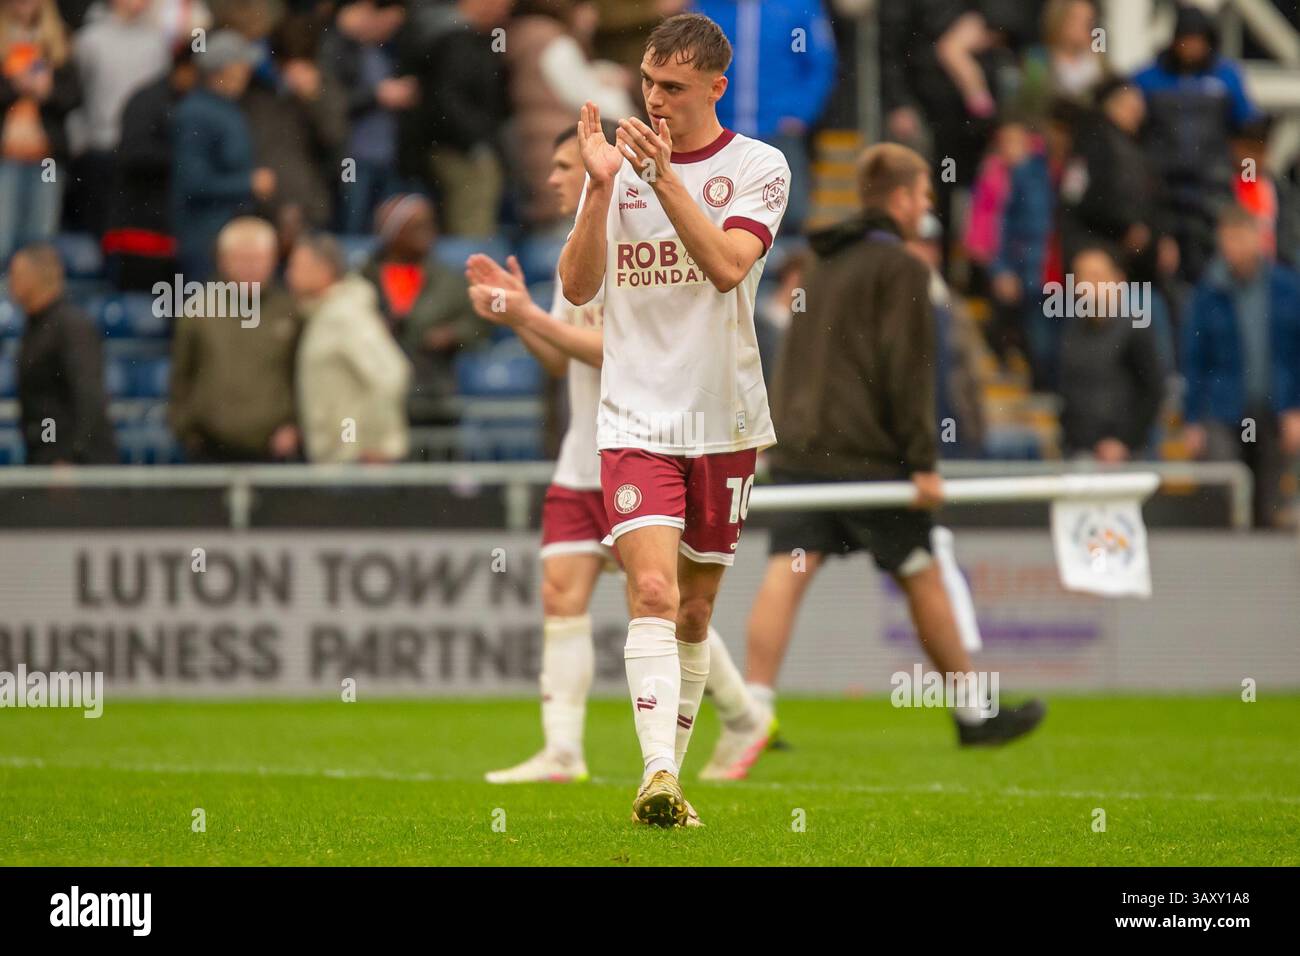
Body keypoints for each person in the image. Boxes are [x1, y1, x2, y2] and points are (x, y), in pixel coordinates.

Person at [470, 124, 769, 787]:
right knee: (571, 592)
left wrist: (532, 316)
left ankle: (742, 715)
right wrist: (520, 316)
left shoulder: (651, 227)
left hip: (656, 436)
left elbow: (616, 351)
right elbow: (560, 352)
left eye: (563, 164)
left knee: (670, 601)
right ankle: (564, 751)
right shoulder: (583, 243)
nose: (552, 178)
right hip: (593, 450)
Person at [731, 143, 1045, 755]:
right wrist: (923, 462)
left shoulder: (818, 265)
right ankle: (974, 713)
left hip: (802, 451)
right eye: (925, 196)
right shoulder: (902, 268)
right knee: (920, 570)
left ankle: (754, 712)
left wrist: (784, 437)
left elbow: (796, 361)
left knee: (786, 572)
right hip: (867, 457)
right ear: (901, 198)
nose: (927, 208)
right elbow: (909, 370)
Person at [558, 12, 792, 826]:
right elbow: (582, 288)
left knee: (695, 612)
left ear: (716, 88)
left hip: (723, 418)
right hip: (634, 417)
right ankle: (658, 778)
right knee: (651, 590)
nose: (654, 101)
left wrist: (661, 181)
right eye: (648, 84)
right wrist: (598, 187)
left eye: (673, 88)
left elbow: (729, 266)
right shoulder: (619, 171)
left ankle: (676, 770)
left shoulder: (758, 165)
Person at [1182, 206, 1300, 529]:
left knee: (1270, 504)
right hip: (1222, 408)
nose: (1234, 246)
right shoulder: (1208, 293)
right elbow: (1195, 359)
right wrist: (1192, 419)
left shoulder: (1287, 287)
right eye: (1228, 239)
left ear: (1258, 238)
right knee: (1225, 495)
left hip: (1276, 407)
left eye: (1240, 237)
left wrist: (1295, 407)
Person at [1132, 3, 1263, 284]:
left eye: (1197, 39)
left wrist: (1246, 174)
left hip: (1211, 188)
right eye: (1185, 38)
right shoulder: (1147, 78)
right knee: (1164, 269)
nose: (1191, 46)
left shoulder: (1227, 76)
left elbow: (1251, 129)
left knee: (1214, 267)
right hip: (1162, 190)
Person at [690, 0, 838, 233]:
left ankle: (785, 267)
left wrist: (800, 113)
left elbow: (818, 64)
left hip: (779, 131)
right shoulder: (706, 6)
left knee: (789, 215)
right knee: (713, 213)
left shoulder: (798, 6)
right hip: (720, 131)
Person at [168, 217, 303, 463]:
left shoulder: (292, 310)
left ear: (273, 260)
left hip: (274, 452)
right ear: (222, 260)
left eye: (257, 258)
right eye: (241, 258)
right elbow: (181, 375)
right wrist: (185, 430)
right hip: (208, 450)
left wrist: (295, 427)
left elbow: (301, 375)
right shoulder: (199, 308)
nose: (249, 266)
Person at [288, 232, 412, 464]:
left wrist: (376, 446)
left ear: (324, 269)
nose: (289, 274)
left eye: (296, 265)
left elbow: (390, 375)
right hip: (338, 461)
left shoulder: (345, 314)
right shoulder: (323, 314)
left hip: (357, 463)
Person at [359, 193, 487, 412]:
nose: (429, 233)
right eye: (417, 227)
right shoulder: (363, 279)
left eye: (430, 224)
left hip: (433, 395)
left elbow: (478, 323)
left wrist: (452, 334)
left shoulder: (449, 279)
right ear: (393, 232)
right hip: (374, 396)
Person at [396, 0, 511, 236]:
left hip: (453, 143)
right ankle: (471, 266)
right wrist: (477, 141)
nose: (504, 10)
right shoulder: (453, 39)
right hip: (452, 148)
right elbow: (446, 101)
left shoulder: (473, 37)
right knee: (474, 207)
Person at [172, 28, 276, 281]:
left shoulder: (228, 108)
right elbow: (193, 182)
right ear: (222, 71)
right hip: (204, 239)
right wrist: (248, 183)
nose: (247, 73)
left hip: (228, 235)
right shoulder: (196, 113)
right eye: (242, 67)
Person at [68, 0, 170, 236]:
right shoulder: (90, 39)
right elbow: (76, 94)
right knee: (98, 229)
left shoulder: (156, 41)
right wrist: (80, 142)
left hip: (141, 151)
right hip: (99, 147)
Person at [9, 242, 116, 464]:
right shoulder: (35, 326)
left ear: (39, 276)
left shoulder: (71, 326)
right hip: (46, 459)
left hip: (74, 469)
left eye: (16, 275)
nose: (10, 283)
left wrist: (72, 457)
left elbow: (89, 395)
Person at [1057, 245, 1165, 461]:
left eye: (1096, 277)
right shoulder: (1072, 331)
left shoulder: (1136, 328)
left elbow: (1152, 391)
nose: (1088, 285)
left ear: (1118, 280)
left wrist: (1123, 440)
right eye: (1082, 276)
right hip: (1079, 449)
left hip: (1125, 455)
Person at [104, 45, 198, 290]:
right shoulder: (147, 101)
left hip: (175, 234)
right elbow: (132, 154)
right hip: (140, 232)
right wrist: (183, 158)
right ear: (184, 68)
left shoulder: (194, 101)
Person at [320, 0, 417, 234]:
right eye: (388, 22)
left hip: (384, 156)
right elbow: (334, 103)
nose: (390, 30)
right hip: (353, 157)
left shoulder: (378, 52)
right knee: (352, 223)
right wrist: (377, 96)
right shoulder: (336, 48)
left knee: (382, 227)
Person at [0, 0, 79, 266]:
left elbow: (74, 96)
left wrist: (47, 93)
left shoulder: (59, 40)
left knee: (40, 238)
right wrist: (15, 87)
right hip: (6, 156)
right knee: (3, 238)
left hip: (46, 156)